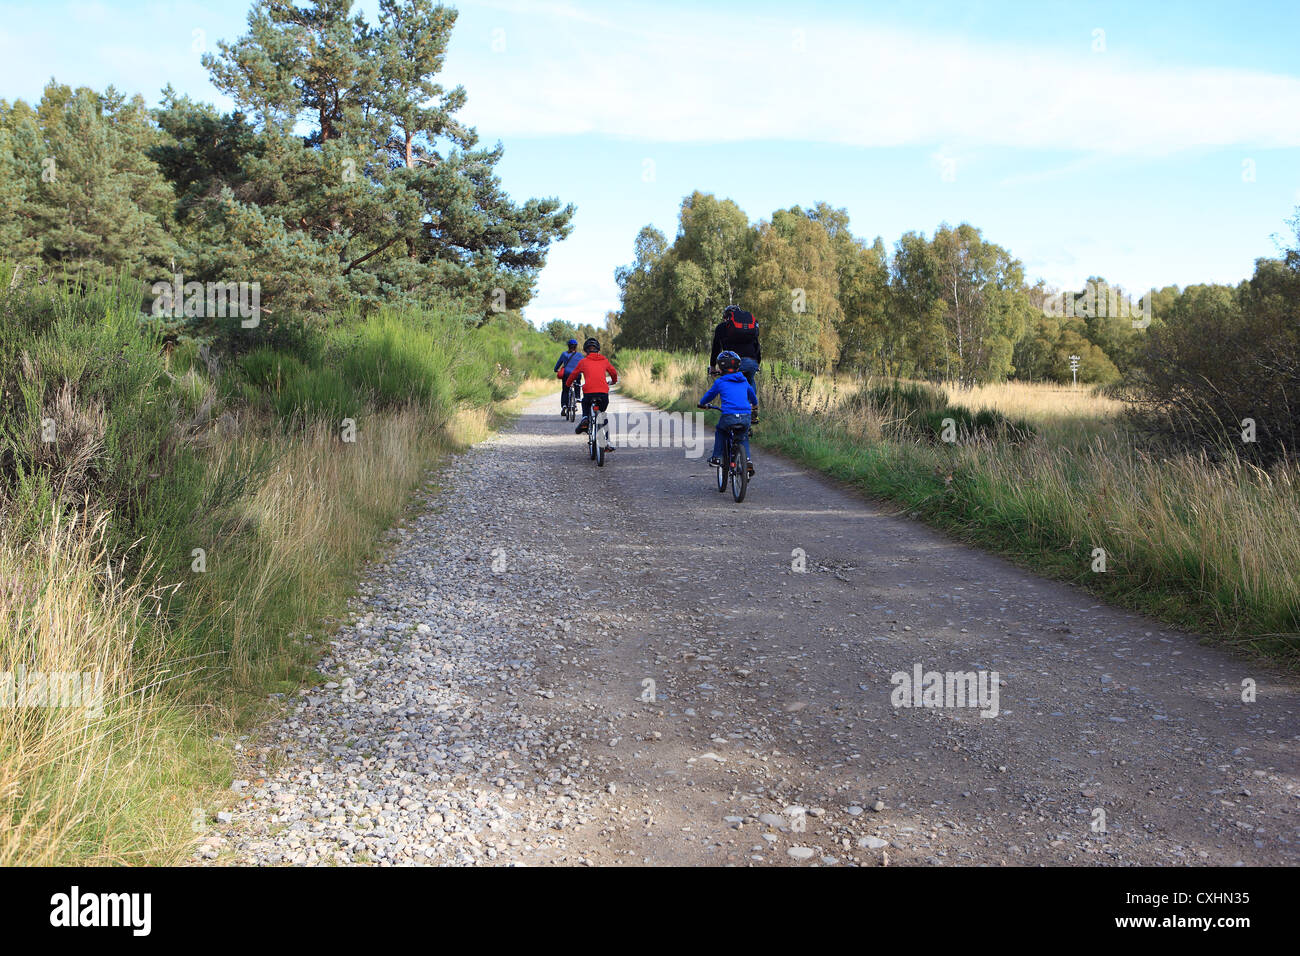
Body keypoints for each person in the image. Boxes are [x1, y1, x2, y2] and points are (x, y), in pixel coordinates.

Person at [698, 350, 756, 476]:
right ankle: (747, 461)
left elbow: (709, 395)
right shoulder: (744, 381)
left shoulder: (720, 382)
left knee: (720, 430)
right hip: (745, 416)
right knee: (743, 436)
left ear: (721, 366)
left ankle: (717, 457)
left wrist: (702, 403)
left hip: (728, 416)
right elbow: (753, 397)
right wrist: (754, 406)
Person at [565, 338, 618, 451]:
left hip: (589, 393)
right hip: (603, 393)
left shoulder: (583, 362)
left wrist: (568, 384)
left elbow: (574, 374)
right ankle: (607, 442)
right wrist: (613, 381)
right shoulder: (604, 360)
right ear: (598, 350)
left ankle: (585, 418)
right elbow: (613, 372)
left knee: (585, 402)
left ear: (585, 351)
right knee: (602, 415)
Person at [709, 305, 761, 393]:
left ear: (726, 317)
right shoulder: (749, 327)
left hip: (732, 363)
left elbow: (716, 348)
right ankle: (752, 404)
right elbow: (757, 345)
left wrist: (713, 366)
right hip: (751, 362)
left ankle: (731, 403)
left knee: (728, 383)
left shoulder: (721, 327)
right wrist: (757, 362)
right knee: (750, 380)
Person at [553, 338, 583, 416]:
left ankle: (564, 405)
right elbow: (584, 364)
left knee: (565, 390)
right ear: (576, 347)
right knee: (577, 383)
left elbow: (558, 364)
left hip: (566, 374)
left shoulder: (564, 354)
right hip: (576, 374)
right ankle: (577, 397)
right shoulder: (579, 355)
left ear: (568, 346)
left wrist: (556, 370)